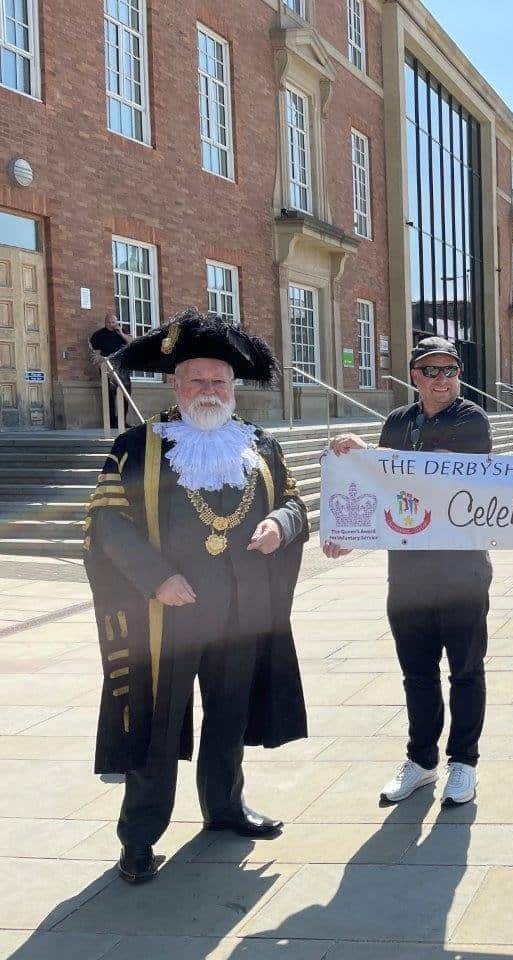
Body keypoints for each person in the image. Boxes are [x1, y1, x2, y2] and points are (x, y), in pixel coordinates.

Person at [83, 309, 309, 885]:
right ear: (175, 384)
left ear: (233, 387)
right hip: (168, 613)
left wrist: (281, 526)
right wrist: (155, 577)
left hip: (239, 611)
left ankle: (225, 809)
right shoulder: (137, 446)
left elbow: (296, 504)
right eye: (198, 381)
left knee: (230, 717)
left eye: (220, 381)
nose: (210, 391)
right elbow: (107, 522)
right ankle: (138, 838)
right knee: (157, 727)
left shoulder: (260, 445)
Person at [326, 336, 492, 809]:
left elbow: (437, 478)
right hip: (408, 573)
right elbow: (379, 494)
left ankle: (464, 762)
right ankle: (421, 762)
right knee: (416, 674)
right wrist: (348, 529)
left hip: (461, 569)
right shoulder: (397, 422)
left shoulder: (471, 420)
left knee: (465, 671)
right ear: (415, 376)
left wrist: (372, 456)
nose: (442, 379)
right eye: (432, 370)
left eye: (450, 370)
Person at [90, 312, 133, 428]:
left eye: (113, 322)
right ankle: (112, 423)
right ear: (105, 323)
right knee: (109, 396)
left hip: (122, 367)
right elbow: (96, 354)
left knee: (125, 394)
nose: (111, 324)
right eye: (108, 322)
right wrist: (100, 366)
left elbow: (132, 342)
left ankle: (122, 421)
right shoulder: (98, 335)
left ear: (117, 322)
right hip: (107, 368)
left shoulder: (122, 331)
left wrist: (121, 333)